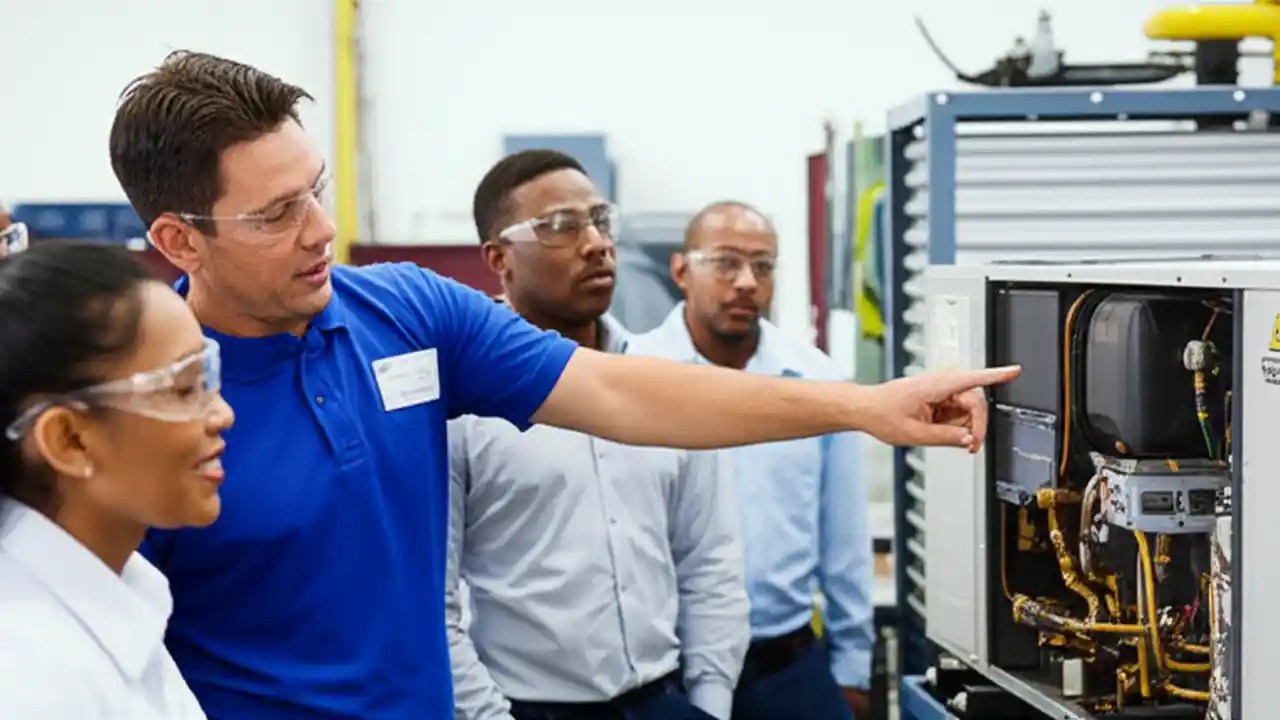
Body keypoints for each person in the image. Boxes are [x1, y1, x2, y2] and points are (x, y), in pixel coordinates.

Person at [111, 50, 1017, 719]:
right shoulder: (137, 399)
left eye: (318, 190)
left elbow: (627, 394)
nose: (320, 231)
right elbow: (115, 662)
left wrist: (862, 406)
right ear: (180, 242)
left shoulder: (409, 314)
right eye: (277, 214)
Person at [446, 149, 749, 720]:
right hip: (528, 708)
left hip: (664, 699)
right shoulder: (461, 407)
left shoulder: (664, 383)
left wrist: (709, 702)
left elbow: (709, 560)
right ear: (499, 257)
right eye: (561, 226)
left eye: (600, 220)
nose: (595, 243)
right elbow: (432, 605)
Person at [632, 201, 875, 720]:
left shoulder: (818, 384)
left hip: (785, 668)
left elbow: (844, 538)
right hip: (664, 673)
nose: (746, 281)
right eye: (725, 263)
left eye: (762, 266)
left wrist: (853, 667)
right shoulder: (634, 378)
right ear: (681, 271)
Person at [0, 241, 234, 719]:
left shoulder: (121, 592)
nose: (222, 414)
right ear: (70, 440)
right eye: (184, 388)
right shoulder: (32, 682)